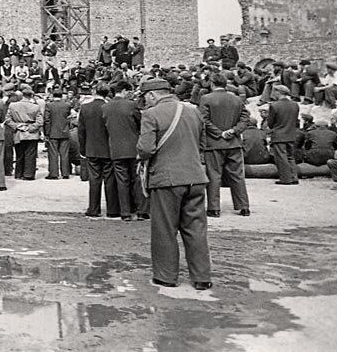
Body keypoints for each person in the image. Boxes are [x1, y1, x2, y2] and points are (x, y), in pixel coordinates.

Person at [136, 78, 212, 291]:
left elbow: (145, 149)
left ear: (152, 95)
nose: (145, 101)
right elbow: (202, 143)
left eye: (145, 98)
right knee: (196, 229)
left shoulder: (151, 115)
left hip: (166, 179)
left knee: (164, 230)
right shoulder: (193, 111)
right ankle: (201, 277)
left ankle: (166, 276)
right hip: (196, 177)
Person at [199, 75, 252, 218]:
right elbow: (245, 119)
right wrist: (234, 131)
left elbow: (203, 120)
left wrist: (219, 133)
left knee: (214, 176)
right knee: (237, 176)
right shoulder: (237, 99)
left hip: (214, 143)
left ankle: (214, 208)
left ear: (212, 84)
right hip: (234, 142)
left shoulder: (206, 99)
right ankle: (243, 207)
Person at [104, 81, 145, 220]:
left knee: (122, 181)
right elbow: (141, 123)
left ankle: (125, 212)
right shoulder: (132, 105)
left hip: (116, 148)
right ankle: (140, 210)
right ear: (125, 91)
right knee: (137, 179)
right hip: (133, 147)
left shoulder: (106, 107)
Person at [78, 83, 118, 218]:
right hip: (108, 147)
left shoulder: (85, 108)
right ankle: (112, 209)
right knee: (110, 179)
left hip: (92, 147)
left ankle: (94, 208)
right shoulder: (110, 107)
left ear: (94, 91)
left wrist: (82, 149)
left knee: (94, 179)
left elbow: (81, 131)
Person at [6, 85, 43, 180]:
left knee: (19, 154)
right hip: (31, 132)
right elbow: (40, 122)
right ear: (31, 96)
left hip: (19, 132)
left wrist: (17, 126)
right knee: (30, 154)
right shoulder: (35, 107)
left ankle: (19, 173)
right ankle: (28, 174)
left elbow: (8, 119)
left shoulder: (13, 105)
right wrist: (30, 128)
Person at [266, 85, 300, 185]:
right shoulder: (295, 104)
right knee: (290, 157)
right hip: (291, 134)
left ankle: (285, 179)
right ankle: (294, 177)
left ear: (278, 92)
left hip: (279, 135)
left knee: (281, 158)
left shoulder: (274, 105)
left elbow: (270, 123)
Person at [43, 89, 72, 180]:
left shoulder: (49, 105)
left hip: (53, 132)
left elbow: (47, 120)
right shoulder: (67, 105)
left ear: (52, 95)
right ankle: (65, 173)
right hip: (64, 131)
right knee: (64, 154)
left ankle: (54, 173)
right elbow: (69, 117)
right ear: (61, 95)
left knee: (53, 154)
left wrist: (46, 133)